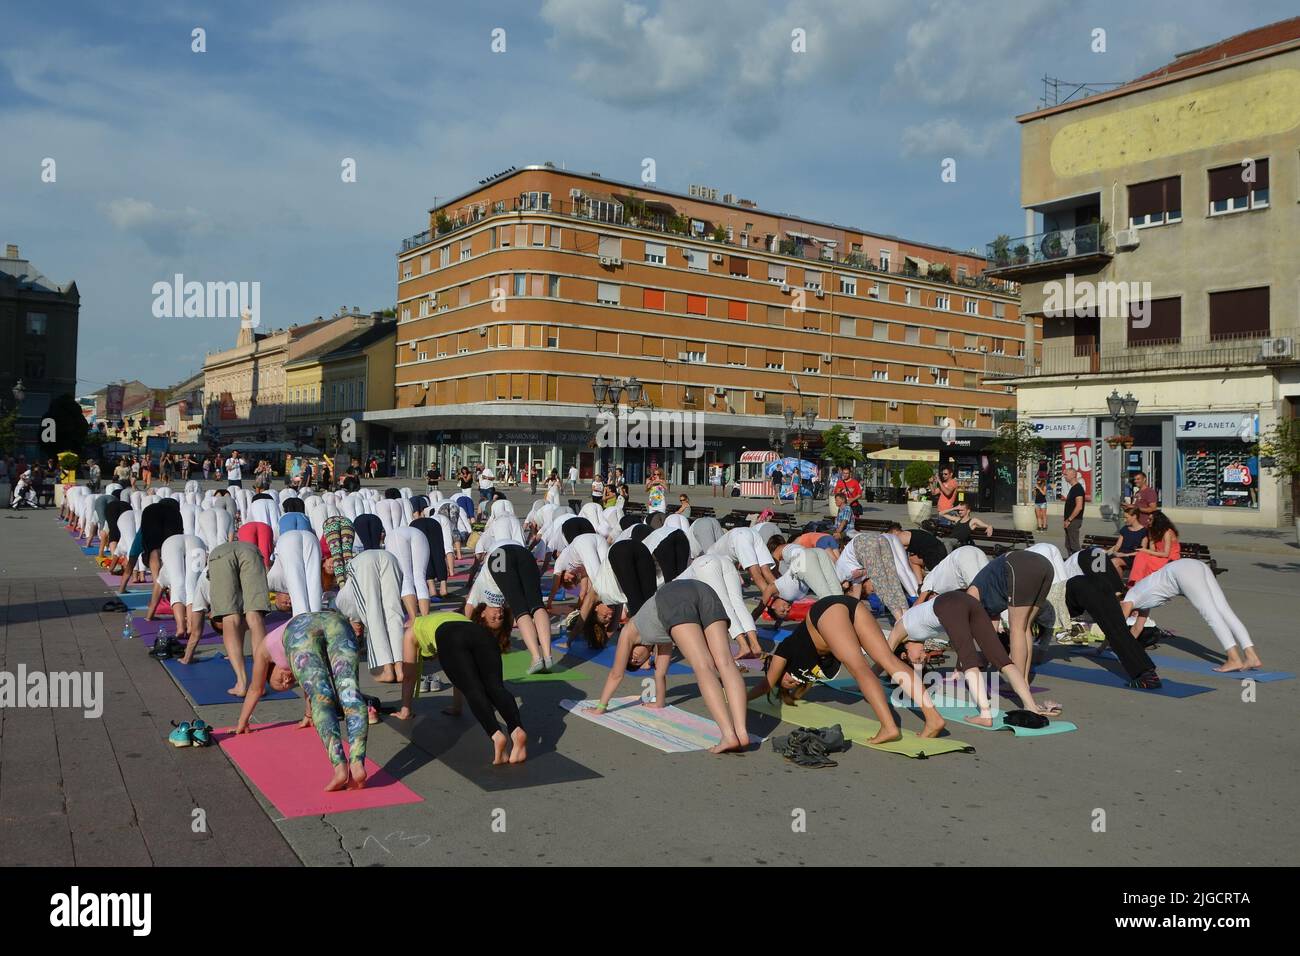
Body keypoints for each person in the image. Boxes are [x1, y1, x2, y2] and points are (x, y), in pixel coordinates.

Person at [588, 579, 750, 755]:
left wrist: (600, 707)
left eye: (630, 658)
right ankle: (741, 733)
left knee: (704, 666)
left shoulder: (628, 632)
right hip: (701, 589)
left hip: (672, 596)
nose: (634, 658)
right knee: (725, 662)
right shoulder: (662, 637)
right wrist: (659, 702)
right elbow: (660, 674)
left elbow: (616, 674)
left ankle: (729, 734)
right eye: (635, 662)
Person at [235, 611, 369, 791]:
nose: (287, 681)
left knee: (321, 698)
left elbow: (255, 689)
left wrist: (242, 722)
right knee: (350, 693)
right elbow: (309, 686)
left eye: (278, 681)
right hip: (334, 621)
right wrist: (307, 714)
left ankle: (340, 768)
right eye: (286, 686)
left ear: (270, 669)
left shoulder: (264, 650)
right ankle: (357, 764)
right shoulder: (291, 658)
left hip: (300, 630)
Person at [888, 591, 1062, 721]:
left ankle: (985, 714)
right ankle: (1031, 706)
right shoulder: (917, 634)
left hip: (949, 604)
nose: (924, 656)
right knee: (1001, 658)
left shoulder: (899, 630)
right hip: (968, 602)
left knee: (968, 659)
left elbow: (883, 655)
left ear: (904, 654)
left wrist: (868, 678)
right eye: (923, 659)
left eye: (917, 659)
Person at [394, 611, 529, 765]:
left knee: (473, 690)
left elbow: (409, 676)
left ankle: (497, 735)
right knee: (496, 687)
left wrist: (405, 710)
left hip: (450, 637)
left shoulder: (411, 631)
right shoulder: (444, 617)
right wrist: (457, 708)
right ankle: (517, 729)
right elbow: (459, 679)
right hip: (480, 633)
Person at [1122, 559, 1262, 672]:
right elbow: (1136, 629)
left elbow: (1118, 627)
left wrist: (1113, 648)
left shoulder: (1129, 599)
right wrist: (1115, 649)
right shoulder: (1142, 601)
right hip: (1196, 565)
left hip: (1181, 571)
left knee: (1211, 615)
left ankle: (1234, 659)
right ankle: (1251, 656)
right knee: (1225, 611)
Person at [1063, 546, 1161, 688]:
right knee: (1116, 627)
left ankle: (1145, 674)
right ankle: (1146, 672)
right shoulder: (1128, 594)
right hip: (1090, 563)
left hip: (1087, 571)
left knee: (1115, 627)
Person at [967, 550, 1056, 689]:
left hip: (1019, 565)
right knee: (1024, 627)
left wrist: (962, 663)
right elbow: (990, 634)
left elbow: (968, 630)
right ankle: (1023, 681)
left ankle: (1017, 685)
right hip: (1046, 566)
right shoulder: (989, 600)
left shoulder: (972, 594)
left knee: (1017, 628)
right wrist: (984, 659)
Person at [206, 538, 273, 696]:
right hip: (250, 550)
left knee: (230, 618)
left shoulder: (205, 581)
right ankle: (259, 683)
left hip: (220, 554)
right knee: (255, 616)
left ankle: (242, 683)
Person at [1108, 505, 1148, 581]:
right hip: (1120, 555)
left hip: (1133, 557)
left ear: (1134, 516)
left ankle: (1117, 586)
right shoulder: (1125, 529)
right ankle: (1119, 586)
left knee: (1114, 562)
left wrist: (1125, 555)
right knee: (1103, 562)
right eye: (1124, 518)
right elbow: (1117, 545)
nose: (1124, 520)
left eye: (1126, 517)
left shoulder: (1143, 531)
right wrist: (1115, 551)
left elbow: (1142, 551)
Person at [1061, 466, 1085, 554]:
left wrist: (1069, 520)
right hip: (1070, 520)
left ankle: (1078, 563)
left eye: (1066, 474)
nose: (1064, 476)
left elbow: (1079, 507)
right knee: (1068, 545)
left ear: (1073, 475)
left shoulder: (1078, 488)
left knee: (1074, 545)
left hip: (1074, 520)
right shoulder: (1073, 488)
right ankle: (1070, 563)